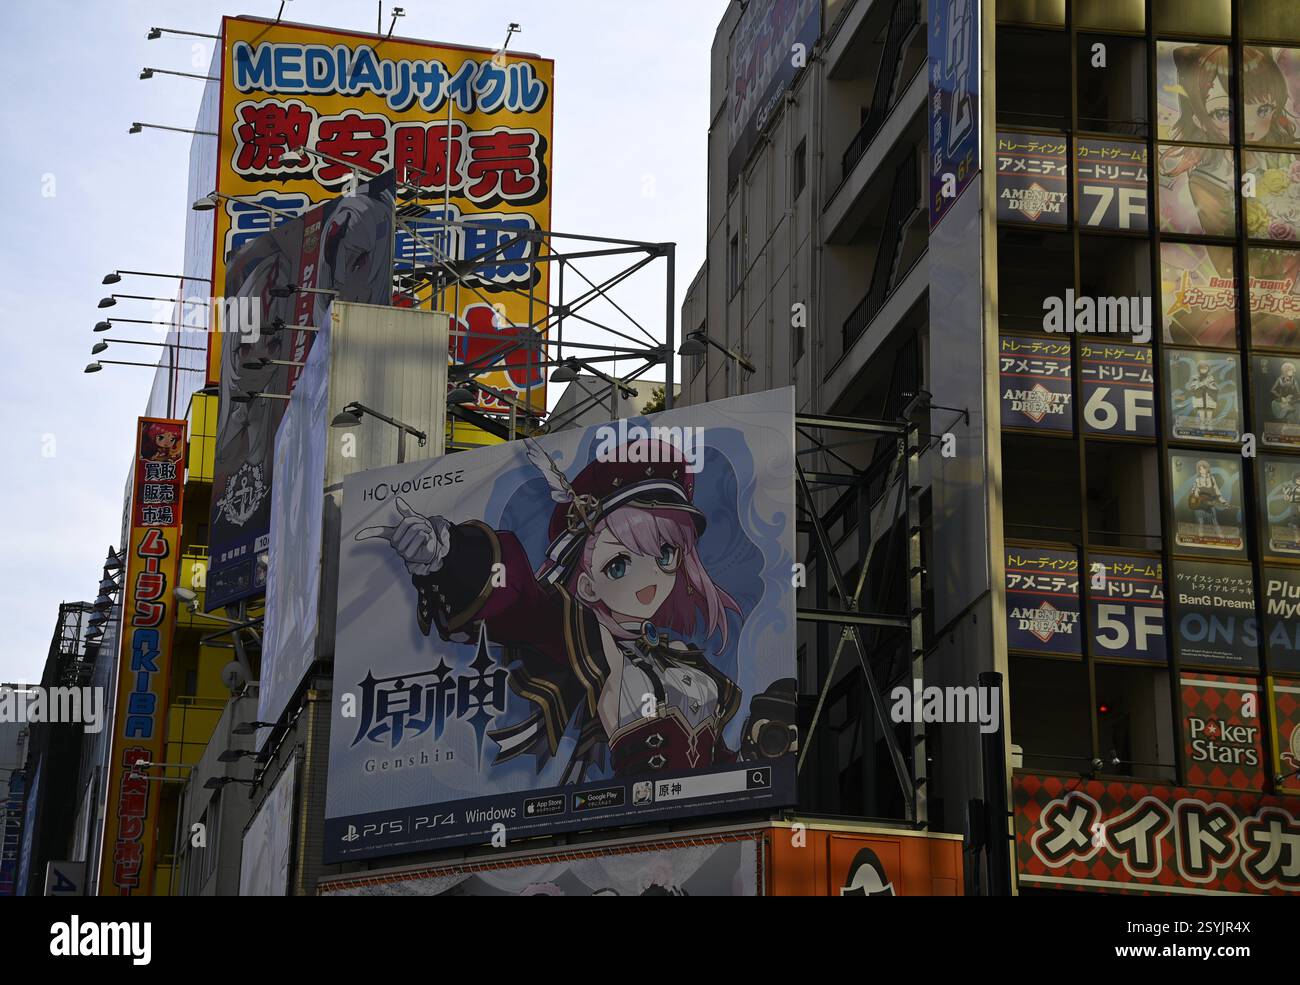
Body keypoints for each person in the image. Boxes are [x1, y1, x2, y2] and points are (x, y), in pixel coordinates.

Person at [358, 438, 794, 783]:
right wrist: (448, 555)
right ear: (586, 583)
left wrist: (758, 750)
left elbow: (716, 769)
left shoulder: (684, 659)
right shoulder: (581, 633)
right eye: (619, 564)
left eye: (665, 554)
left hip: (701, 834)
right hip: (615, 829)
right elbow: (521, 600)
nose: (649, 578)